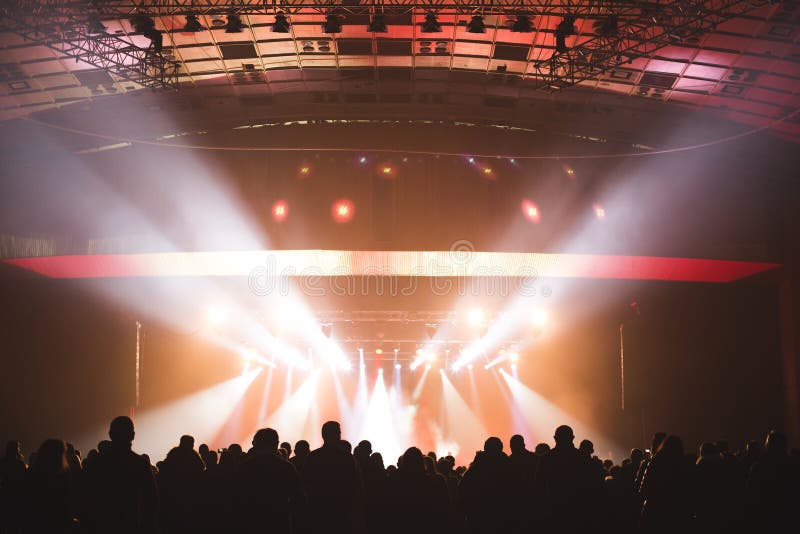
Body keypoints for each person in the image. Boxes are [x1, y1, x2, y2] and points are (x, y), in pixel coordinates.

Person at [81, 416, 157, 534]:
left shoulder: (95, 464)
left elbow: (85, 498)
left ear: (110, 434)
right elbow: (151, 501)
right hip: (131, 526)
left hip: (101, 525)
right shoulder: (140, 464)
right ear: (132, 435)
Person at [234, 428, 302, 534]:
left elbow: (235, 498)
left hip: (251, 524)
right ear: (276, 444)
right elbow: (299, 498)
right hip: (279, 524)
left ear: (256, 444)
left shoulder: (244, 467)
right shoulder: (287, 467)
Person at [534, 425, 595, 533]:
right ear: (572, 438)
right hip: (578, 511)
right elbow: (591, 487)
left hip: (553, 511)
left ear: (555, 438)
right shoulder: (583, 458)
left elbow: (539, 487)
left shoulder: (546, 459)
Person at [302, 421, 358, 533]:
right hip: (342, 510)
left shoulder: (313, 457)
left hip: (318, 509)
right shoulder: (347, 457)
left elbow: (305, 483)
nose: (340, 435)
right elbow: (354, 485)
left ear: (323, 435)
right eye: (338, 432)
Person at [459, 437, 513, 534]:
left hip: (479, 512)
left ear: (485, 447)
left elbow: (463, 485)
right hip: (501, 511)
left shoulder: (478, 463)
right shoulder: (506, 463)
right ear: (500, 448)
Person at [23, 439, 75, 533]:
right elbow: (65, 502)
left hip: (35, 523)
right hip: (56, 523)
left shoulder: (31, 473)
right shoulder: (62, 476)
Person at [508, 435, 539, 533]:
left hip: (514, 504)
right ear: (523, 444)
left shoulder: (508, 461)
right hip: (532, 502)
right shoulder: (535, 459)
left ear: (511, 446)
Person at [0, 440, 27, 533]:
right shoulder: (20, 465)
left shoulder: (2, 462)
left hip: (5, 494)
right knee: (14, 526)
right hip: (17, 496)